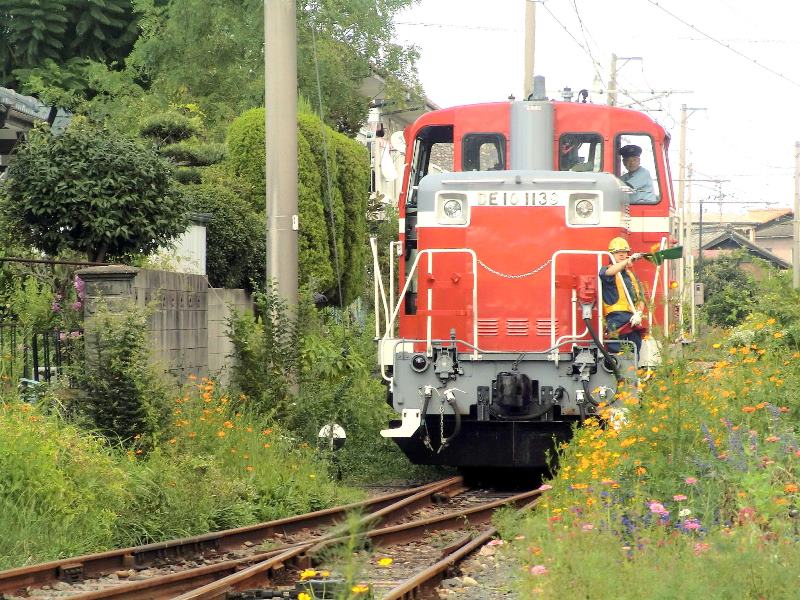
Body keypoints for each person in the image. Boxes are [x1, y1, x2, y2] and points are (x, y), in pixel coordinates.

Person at [599, 237, 646, 358]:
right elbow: (607, 273)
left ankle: (633, 369)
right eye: (617, 252)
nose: (622, 254)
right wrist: (627, 261)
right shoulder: (607, 270)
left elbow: (641, 297)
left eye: (624, 252)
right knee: (616, 354)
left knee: (634, 351)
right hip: (616, 320)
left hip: (633, 320)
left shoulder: (631, 275)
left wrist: (639, 313)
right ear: (611, 255)